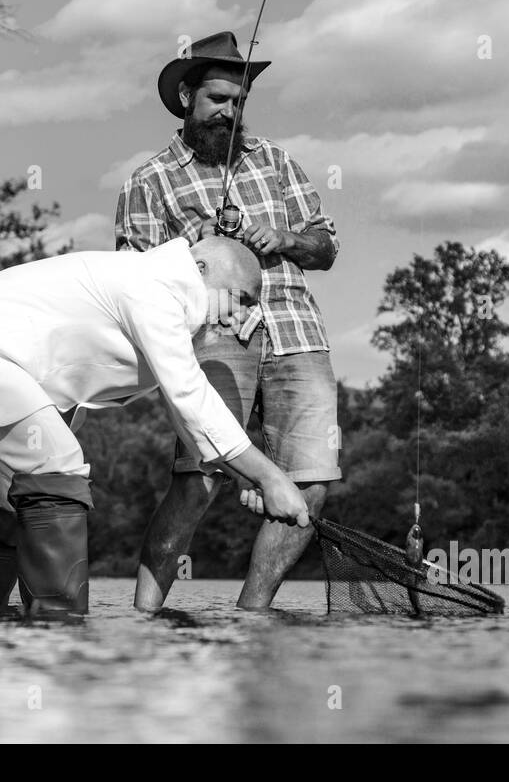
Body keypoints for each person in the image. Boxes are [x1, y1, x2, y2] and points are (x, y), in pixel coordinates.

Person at [0, 235, 309, 616]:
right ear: (200, 268)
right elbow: (191, 398)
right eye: (238, 298)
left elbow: (182, 413)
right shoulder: (160, 288)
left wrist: (246, 478)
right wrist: (272, 477)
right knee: (57, 469)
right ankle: (57, 630)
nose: (241, 316)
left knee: (11, 498)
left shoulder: (161, 293)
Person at [116, 31, 341, 611]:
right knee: (201, 479)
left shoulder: (277, 161)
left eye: (238, 101)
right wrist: (200, 255)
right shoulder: (149, 180)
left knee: (311, 484)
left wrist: (286, 237)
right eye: (218, 98)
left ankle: (251, 618)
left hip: (297, 331)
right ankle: (145, 616)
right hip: (214, 338)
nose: (229, 112)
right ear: (186, 96)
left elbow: (325, 247)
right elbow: (131, 283)